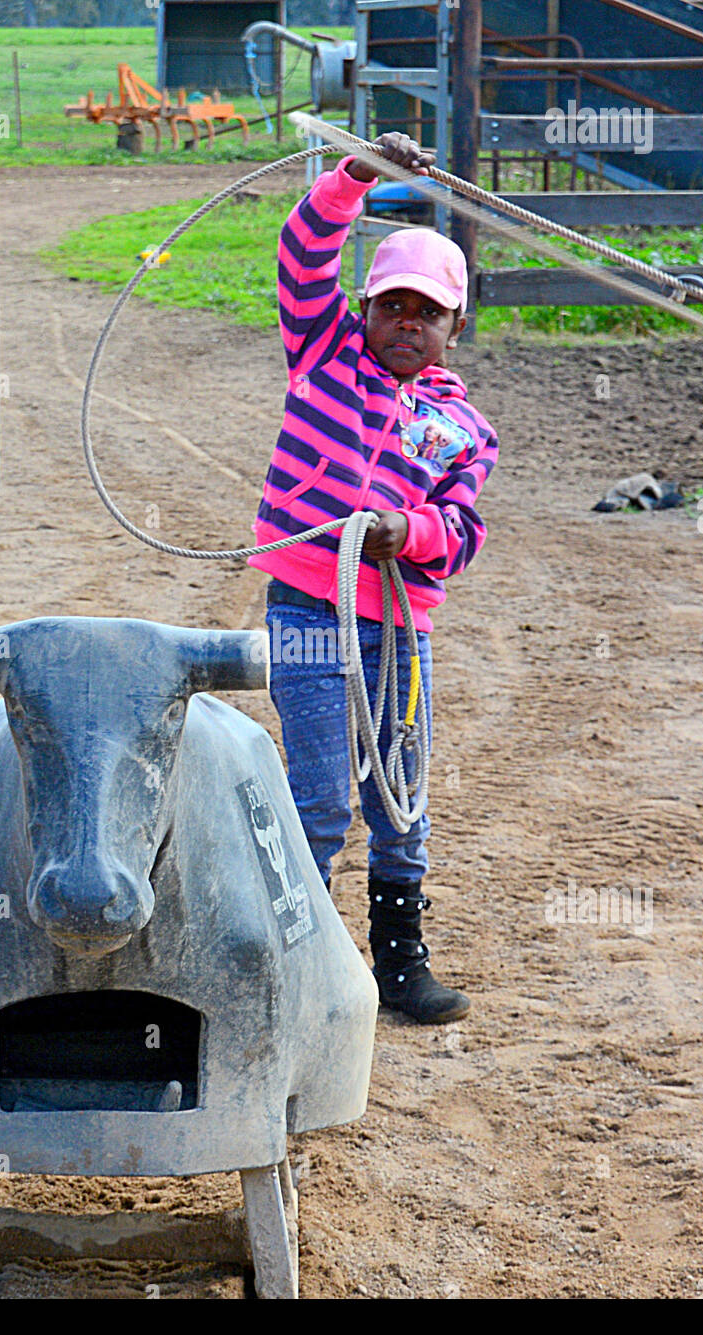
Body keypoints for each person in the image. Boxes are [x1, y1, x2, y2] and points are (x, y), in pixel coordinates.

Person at [246, 131, 499, 1025]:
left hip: (400, 624)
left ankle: (399, 965)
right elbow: (301, 248)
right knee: (318, 797)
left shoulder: (465, 430)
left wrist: (411, 529)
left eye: (425, 312)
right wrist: (357, 175)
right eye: (391, 305)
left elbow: (463, 532)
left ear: (453, 326)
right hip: (309, 605)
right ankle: (296, 963)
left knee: (401, 792)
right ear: (360, 308)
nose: (406, 323)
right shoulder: (322, 355)